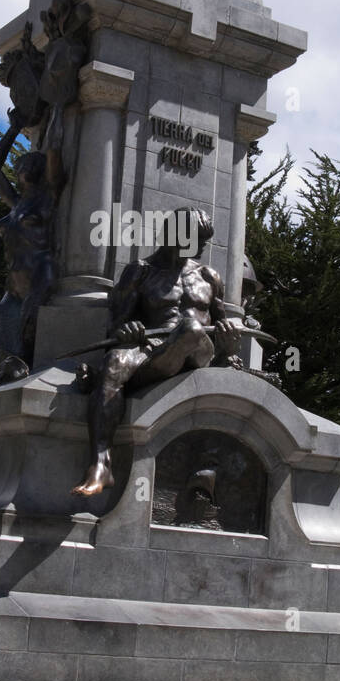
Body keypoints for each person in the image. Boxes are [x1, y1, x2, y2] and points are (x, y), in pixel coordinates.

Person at [72, 208, 243, 495]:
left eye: (204, 239)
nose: (203, 246)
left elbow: (221, 324)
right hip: (155, 350)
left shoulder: (209, 276)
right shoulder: (140, 272)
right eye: (197, 238)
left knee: (191, 329)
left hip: (199, 352)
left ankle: (184, 338)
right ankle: (101, 464)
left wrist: (229, 342)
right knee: (114, 363)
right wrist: (127, 331)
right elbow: (115, 327)